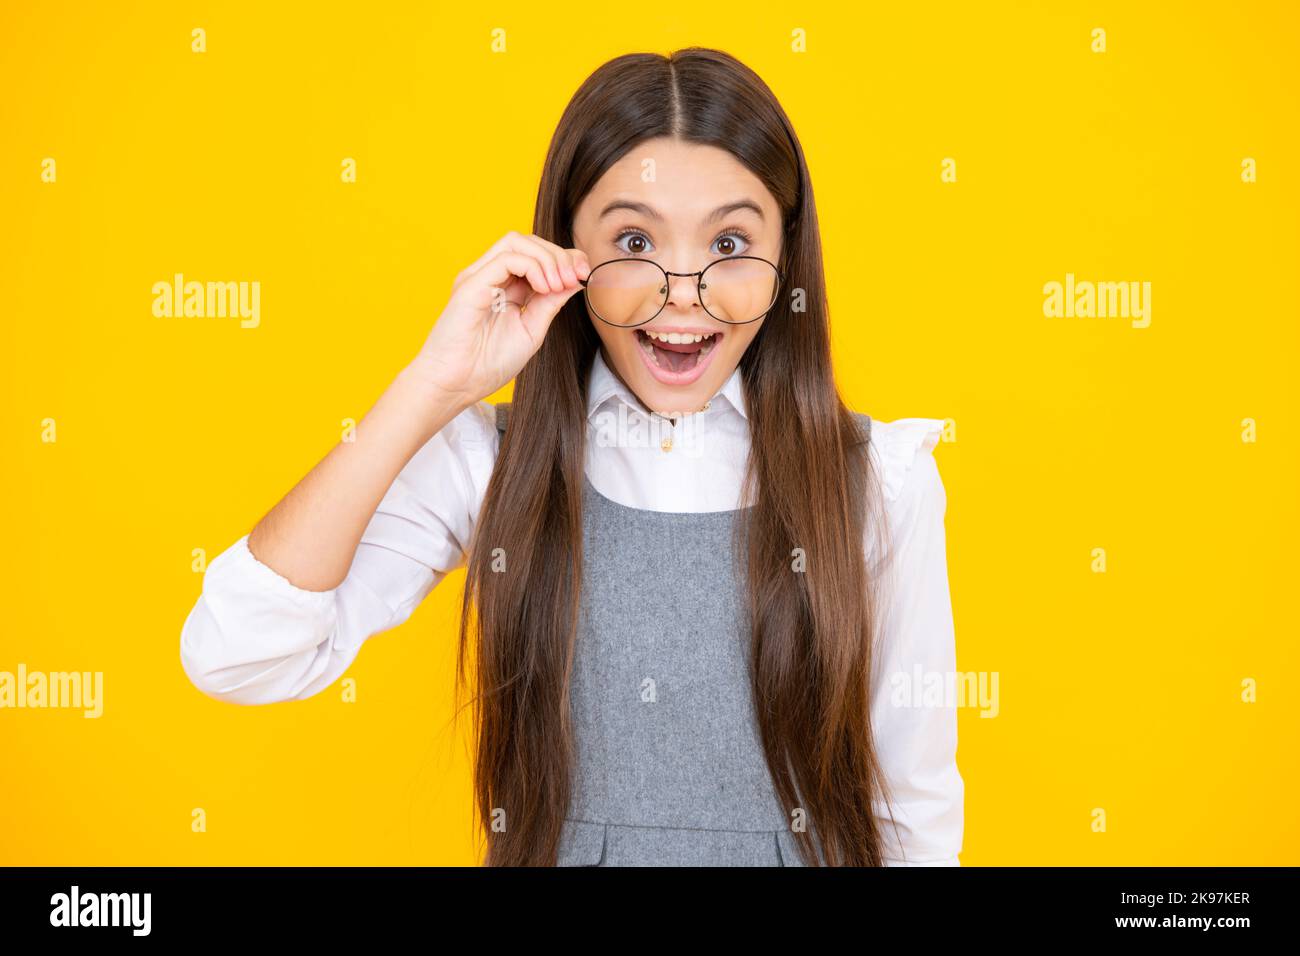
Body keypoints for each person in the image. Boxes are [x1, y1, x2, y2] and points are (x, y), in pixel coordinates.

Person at [179, 47, 963, 867]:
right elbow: (236, 654)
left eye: (730, 242)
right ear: (566, 255)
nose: (685, 292)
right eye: (634, 239)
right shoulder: (490, 461)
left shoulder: (880, 480)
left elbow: (912, 806)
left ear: (785, 258)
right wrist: (433, 384)